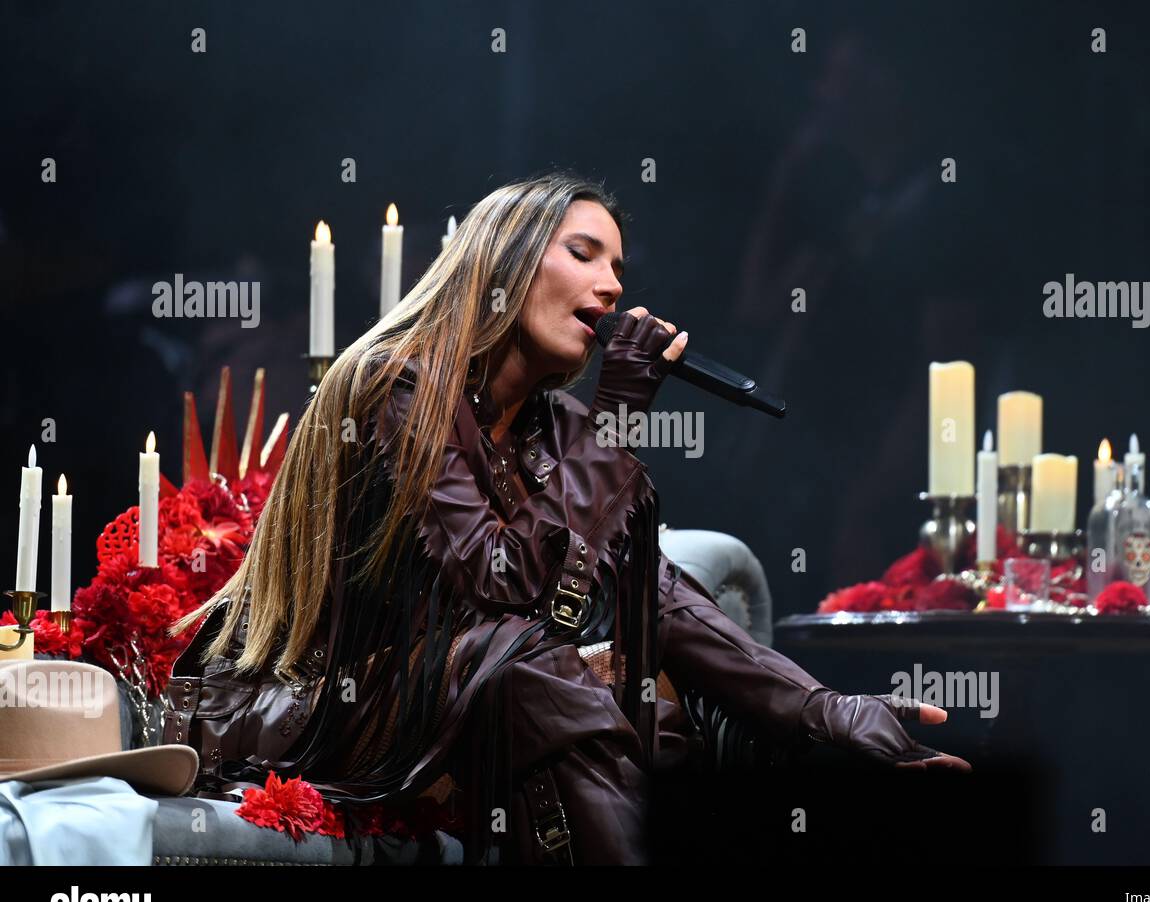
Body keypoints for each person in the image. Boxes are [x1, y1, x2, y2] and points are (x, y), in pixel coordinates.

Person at [169, 171, 969, 866]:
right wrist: (617, 419)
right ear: (504, 265)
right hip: (312, 703)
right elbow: (497, 584)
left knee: (661, 704)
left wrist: (824, 708)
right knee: (529, 667)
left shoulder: (555, 431)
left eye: (619, 265)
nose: (614, 284)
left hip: (462, 698)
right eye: (584, 253)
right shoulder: (396, 384)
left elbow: (650, 588)